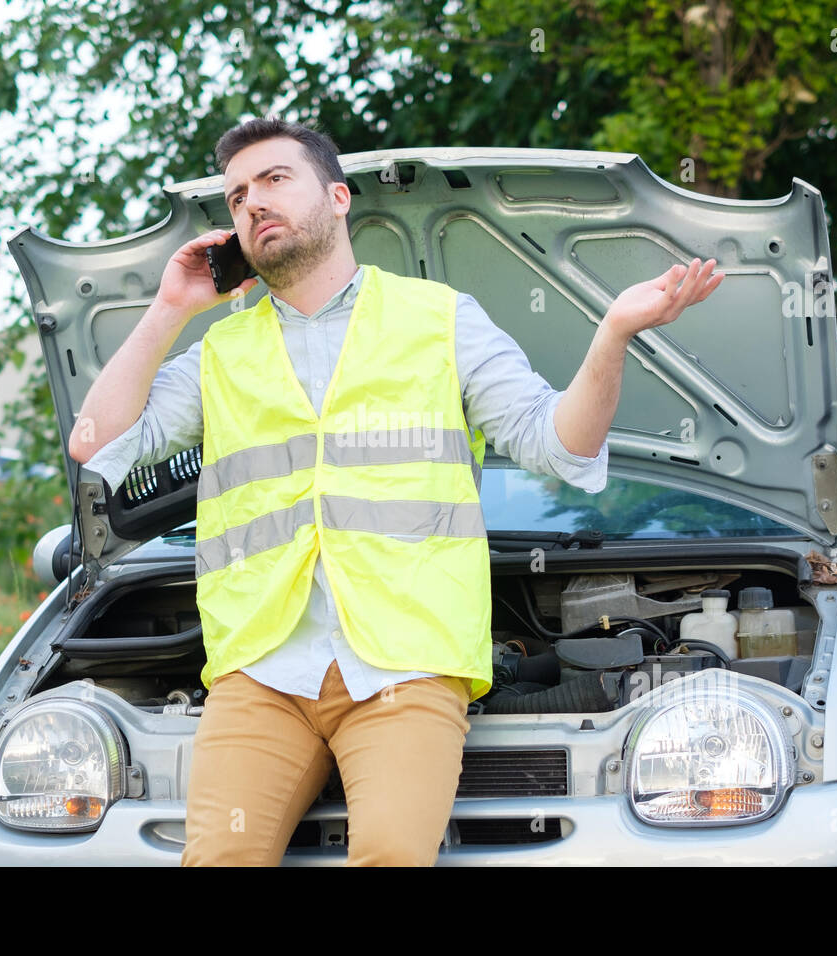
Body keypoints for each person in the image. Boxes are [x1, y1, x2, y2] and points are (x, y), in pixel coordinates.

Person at [69, 116, 723, 866]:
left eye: (275, 179)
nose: (252, 202)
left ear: (339, 197)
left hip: (405, 667)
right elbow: (96, 443)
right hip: (261, 671)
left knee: (389, 857)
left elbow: (559, 443)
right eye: (237, 194)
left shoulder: (440, 320)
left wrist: (612, 334)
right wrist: (168, 309)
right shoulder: (219, 351)